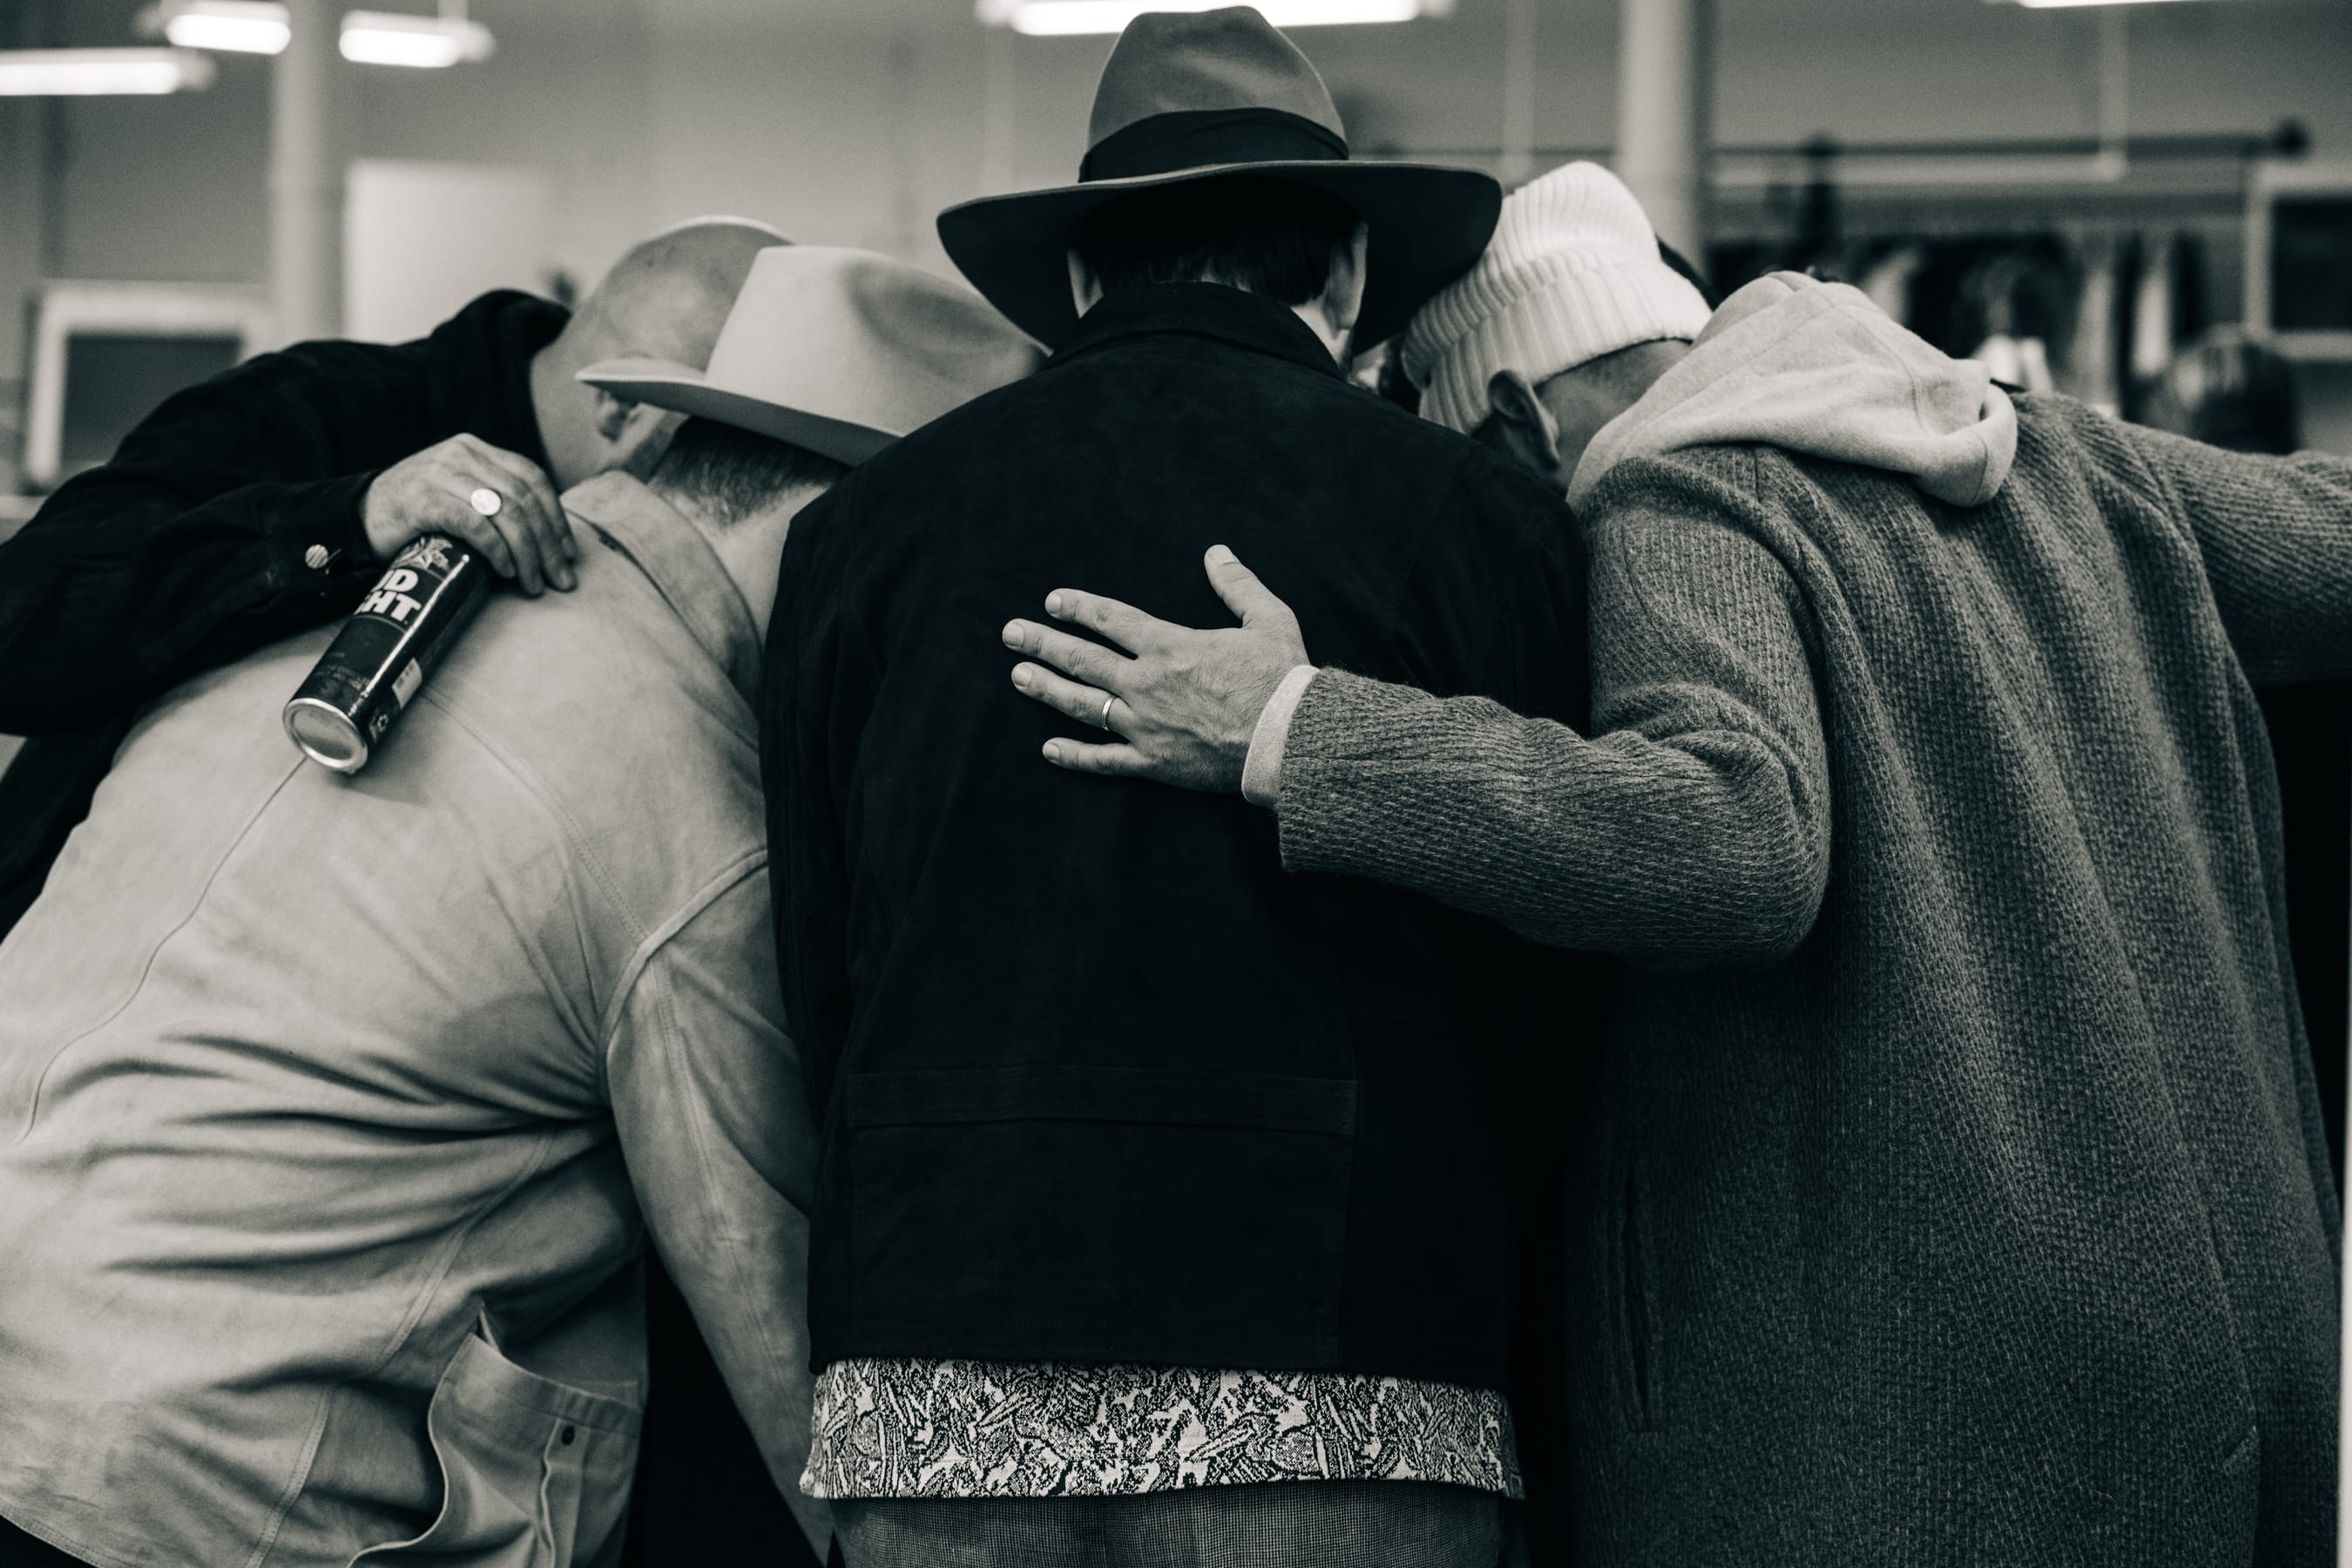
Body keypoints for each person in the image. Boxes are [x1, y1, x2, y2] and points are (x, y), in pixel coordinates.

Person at [1004, 159, 2350, 1564]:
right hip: (2233, 1351)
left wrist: (1298, 729)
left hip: (1921, 1418)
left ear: (1517, 422)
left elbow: (1732, 838)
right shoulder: (2068, 458)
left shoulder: (1671, 502)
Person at [0, 244, 1037, 1568]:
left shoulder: (350, 608)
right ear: (859, 535)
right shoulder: (692, 823)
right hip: (194, 1492)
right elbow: (805, 1374)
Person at [760, 11, 1599, 1567]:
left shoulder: (861, 534)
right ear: (1344, 275)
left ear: (1084, 277)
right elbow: (1548, 981)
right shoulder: (1471, 516)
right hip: (1346, 1362)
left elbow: (821, 971)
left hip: (938, 1365)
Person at [0, 216, 784, 938]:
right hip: (74, 956)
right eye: (721, 460)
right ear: (620, 408)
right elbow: (20, 628)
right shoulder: (311, 412)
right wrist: (349, 522)